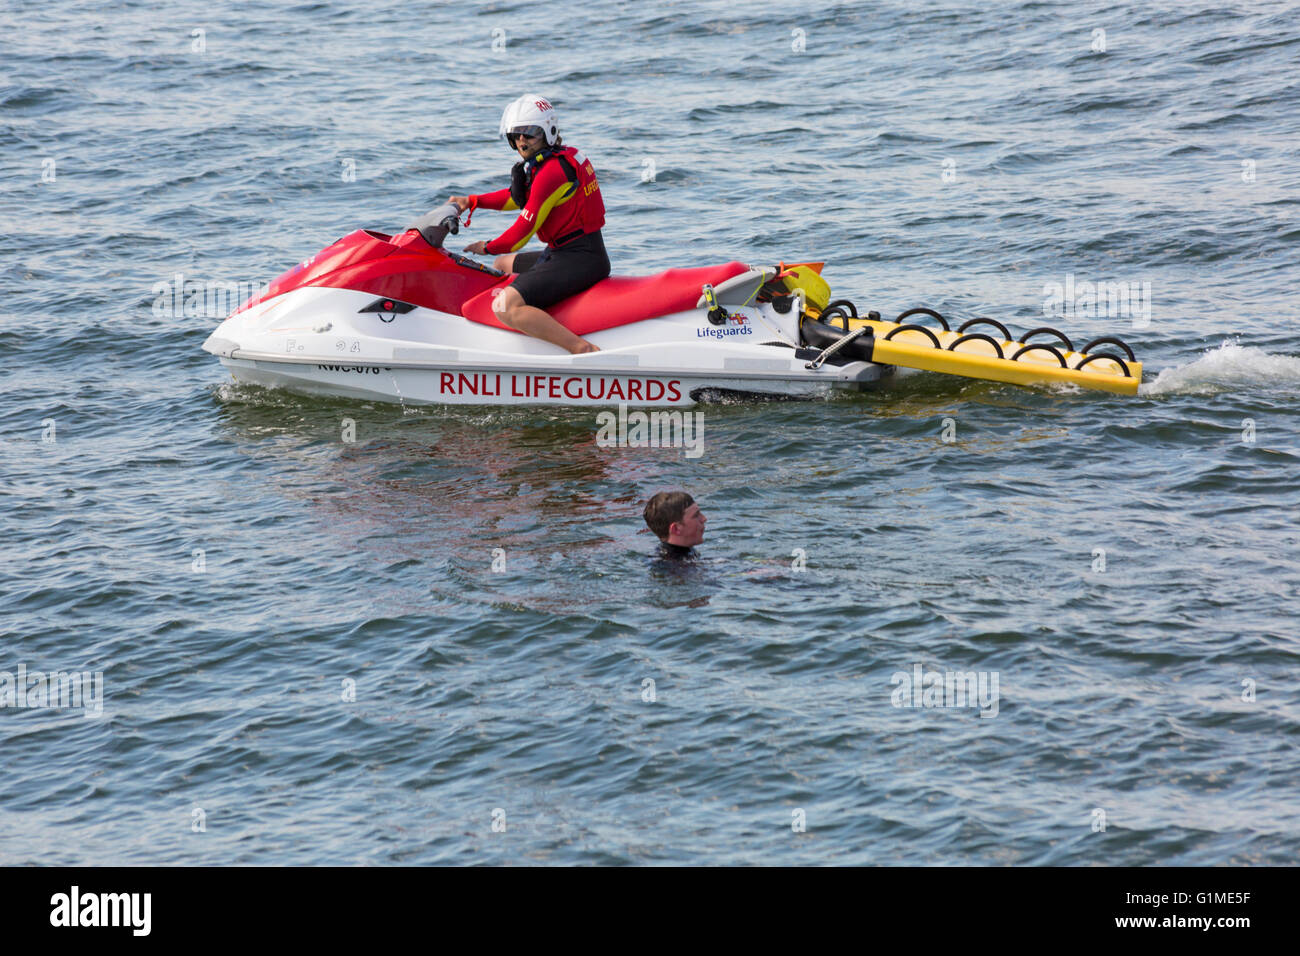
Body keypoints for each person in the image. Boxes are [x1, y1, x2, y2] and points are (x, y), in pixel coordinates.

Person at [448, 94, 609, 355]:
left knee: (504, 306)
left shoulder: (553, 173)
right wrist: (472, 201)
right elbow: (517, 197)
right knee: (502, 266)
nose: (522, 141)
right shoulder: (556, 159)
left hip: (580, 259)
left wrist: (486, 247)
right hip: (564, 252)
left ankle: (583, 350)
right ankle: (527, 323)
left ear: (548, 132)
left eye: (530, 133)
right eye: (516, 135)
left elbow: (520, 235)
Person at [643, 491, 707, 559]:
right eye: (696, 515)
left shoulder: (685, 553)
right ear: (676, 529)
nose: (704, 519)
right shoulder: (675, 565)